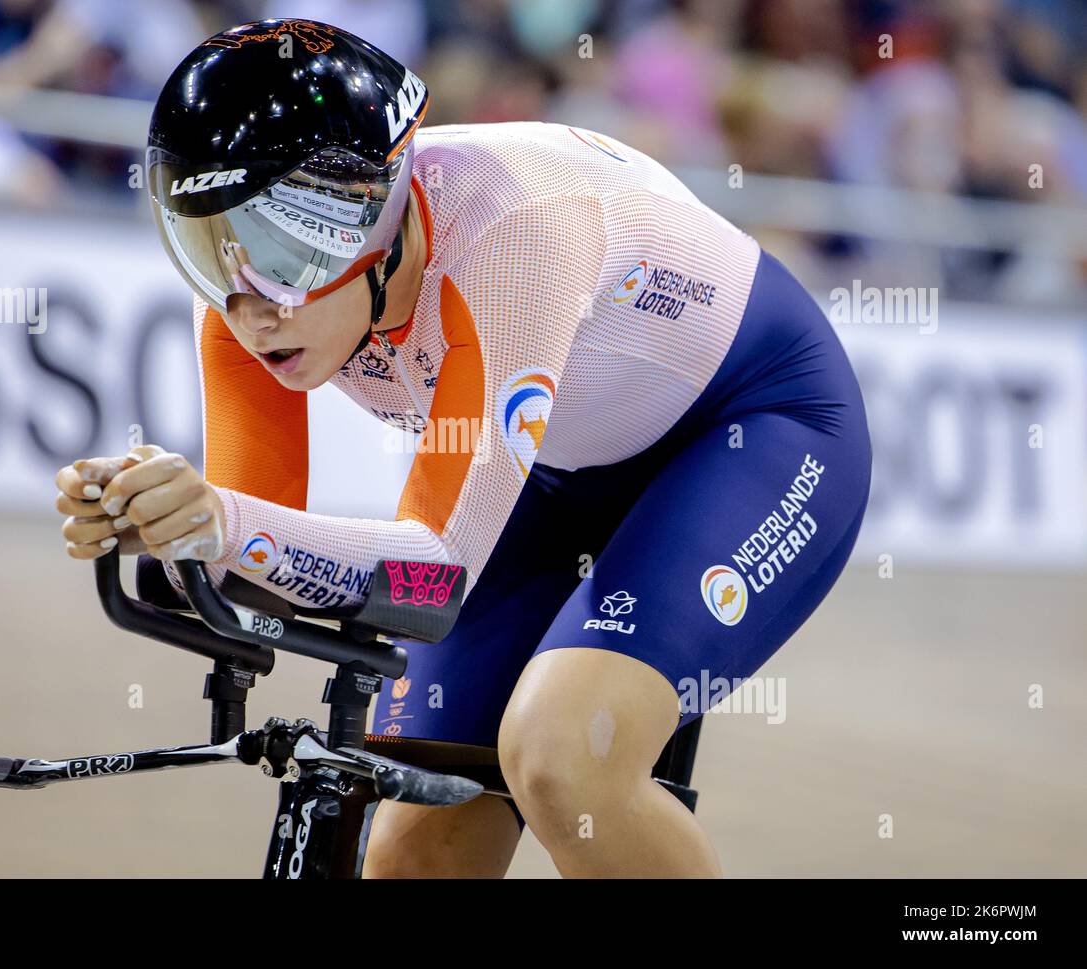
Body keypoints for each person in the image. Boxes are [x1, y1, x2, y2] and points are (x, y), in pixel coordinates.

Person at [55, 19, 872, 878]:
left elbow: (432, 574)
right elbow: (252, 548)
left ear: (368, 216)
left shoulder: (512, 237)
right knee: (417, 849)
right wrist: (164, 524)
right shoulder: (246, 295)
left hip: (752, 429)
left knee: (565, 756)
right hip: (551, 470)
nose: (248, 301)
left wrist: (222, 524)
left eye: (280, 244)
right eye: (205, 242)